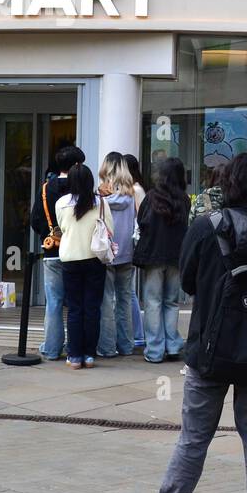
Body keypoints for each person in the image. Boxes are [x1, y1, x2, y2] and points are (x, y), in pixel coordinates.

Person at [132, 152, 247, 493]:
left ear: (229, 185)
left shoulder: (207, 227)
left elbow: (187, 283)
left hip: (209, 349)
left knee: (194, 436)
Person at [54, 164, 114, 370]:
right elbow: (110, 230)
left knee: (74, 309)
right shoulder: (101, 203)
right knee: (92, 308)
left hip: (70, 258)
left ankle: (74, 355)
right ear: (90, 181)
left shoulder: (61, 203)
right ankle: (89, 355)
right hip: (94, 259)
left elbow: (62, 227)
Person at [30, 144, 85, 361]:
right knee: (75, 303)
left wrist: (48, 232)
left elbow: (35, 219)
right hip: (77, 253)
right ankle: (75, 347)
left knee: (53, 302)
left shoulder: (46, 188)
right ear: (76, 165)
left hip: (52, 250)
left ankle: (52, 349)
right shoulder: (81, 186)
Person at [134, 158, 189, 364]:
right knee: (171, 302)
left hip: (154, 256)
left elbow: (142, 222)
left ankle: (155, 349)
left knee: (153, 302)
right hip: (176, 256)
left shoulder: (151, 198)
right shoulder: (184, 199)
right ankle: (173, 345)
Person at [97, 152, 139, 358]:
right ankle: (126, 345)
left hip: (105, 254)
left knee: (106, 302)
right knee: (125, 300)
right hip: (127, 253)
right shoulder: (132, 195)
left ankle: (106, 347)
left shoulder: (100, 199)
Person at [123, 153, 147, 348]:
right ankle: (136, 333)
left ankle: (138, 333)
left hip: (131, 244)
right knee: (128, 291)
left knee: (129, 291)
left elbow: (140, 218)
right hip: (128, 244)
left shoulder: (136, 190)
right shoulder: (133, 189)